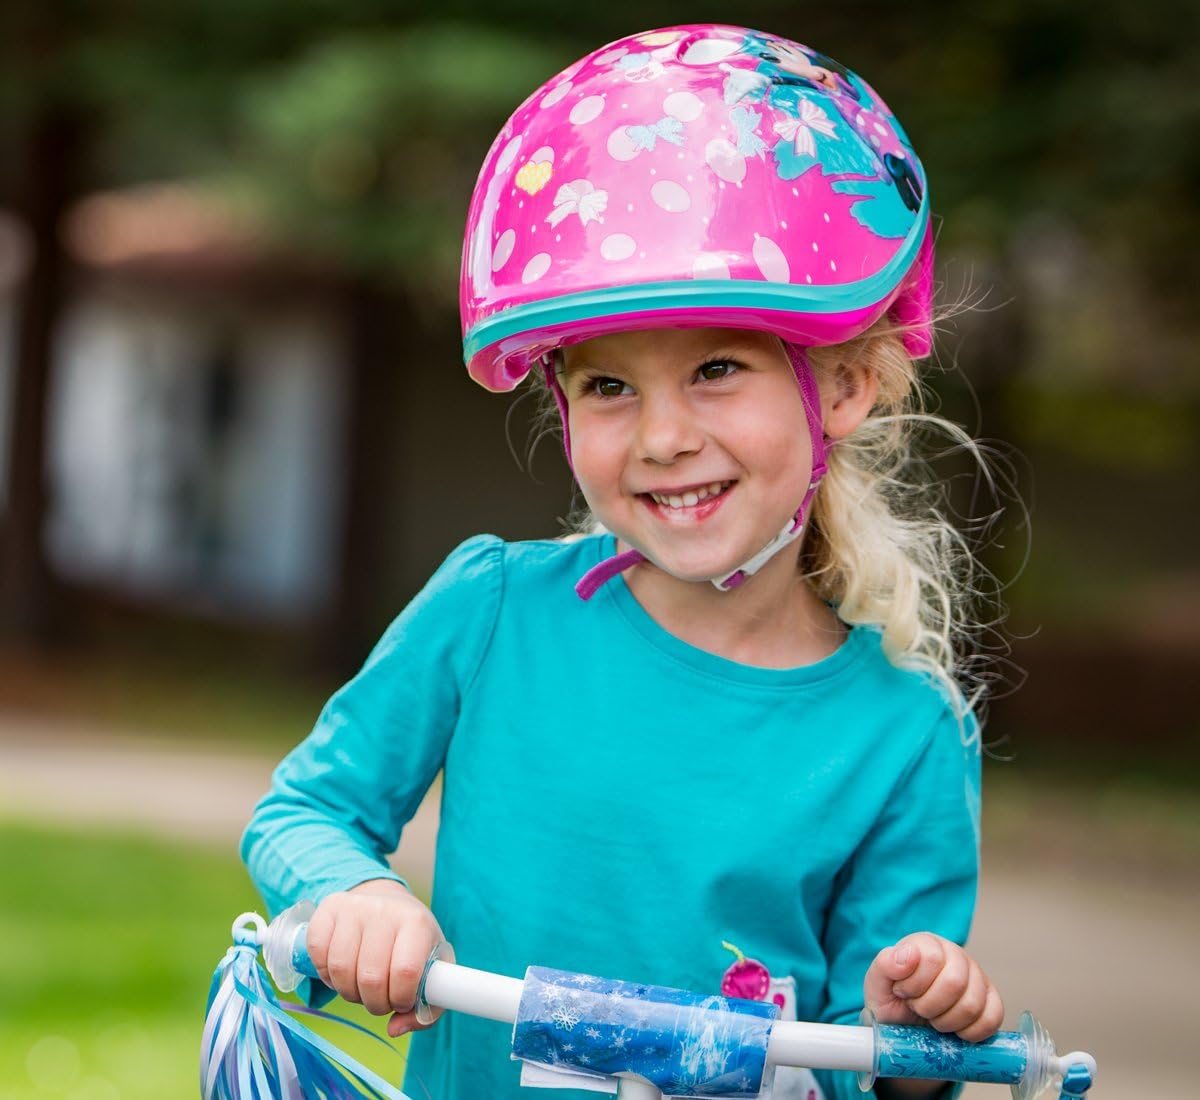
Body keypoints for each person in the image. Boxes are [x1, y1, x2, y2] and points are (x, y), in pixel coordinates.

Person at [243, 23, 1007, 1100]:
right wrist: (354, 893)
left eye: (714, 367)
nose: (660, 436)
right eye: (608, 386)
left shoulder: (906, 734)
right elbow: (304, 812)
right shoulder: (493, 610)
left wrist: (915, 1029)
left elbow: (880, 1066)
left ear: (839, 387)